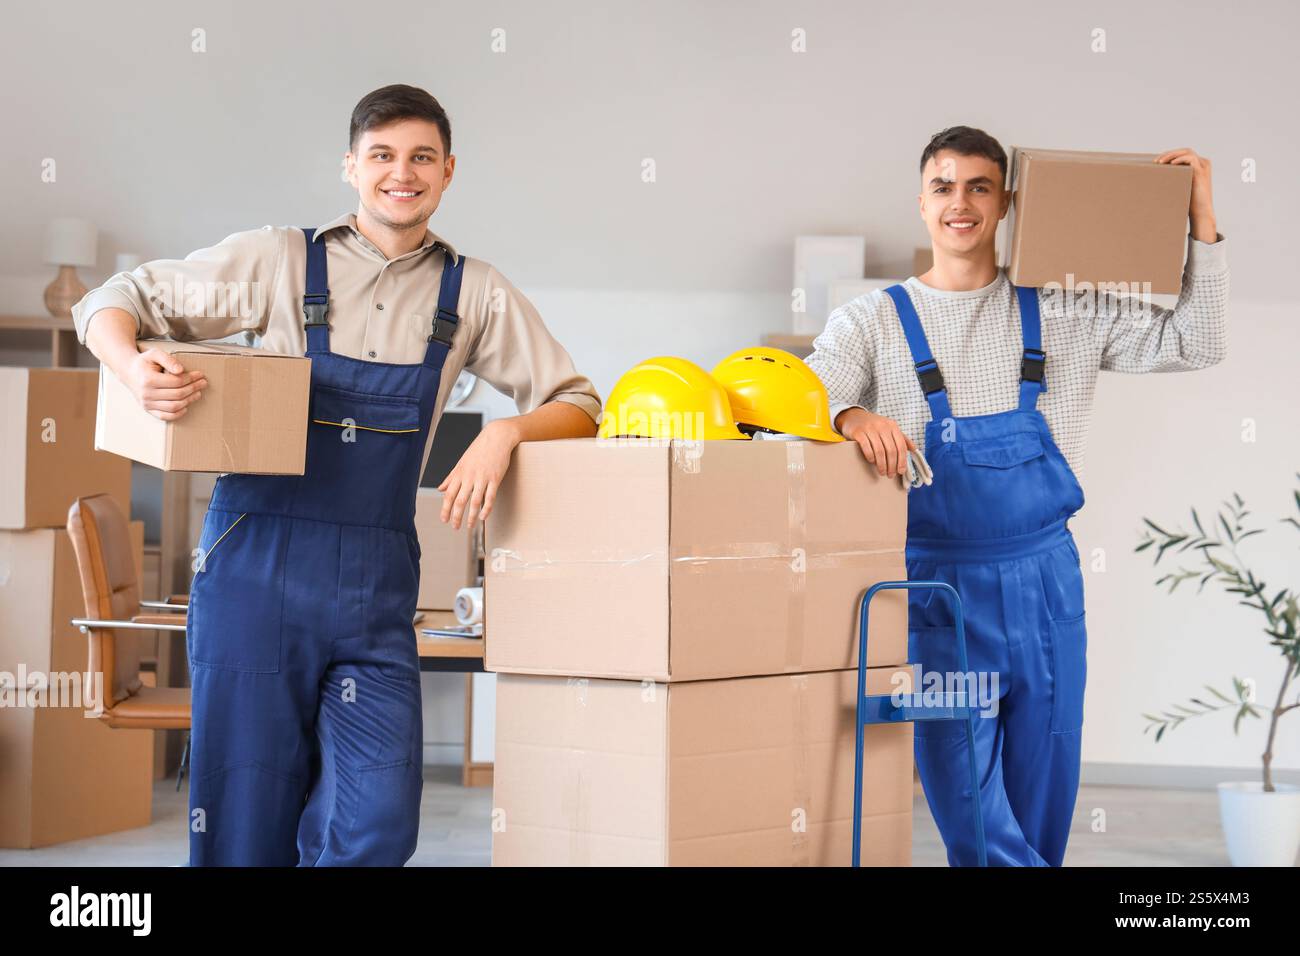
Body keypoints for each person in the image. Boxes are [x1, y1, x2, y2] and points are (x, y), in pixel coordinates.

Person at [73, 84, 601, 866]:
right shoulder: (280, 259)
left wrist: (508, 433)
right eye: (382, 155)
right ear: (351, 167)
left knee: (378, 820)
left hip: (374, 589)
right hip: (254, 572)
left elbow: (580, 401)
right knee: (242, 822)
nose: (403, 172)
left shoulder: (475, 291)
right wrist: (131, 366)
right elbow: (116, 300)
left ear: (448, 171)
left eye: (422, 156)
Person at [806, 126, 1227, 866]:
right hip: (935, 592)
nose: (960, 203)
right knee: (966, 798)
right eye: (943, 186)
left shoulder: (1064, 310)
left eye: (979, 186)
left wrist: (1200, 218)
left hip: (1046, 583)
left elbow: (1198, 341)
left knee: (1045, 788)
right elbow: (791, 405)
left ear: (1006, 203)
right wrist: (850, 414)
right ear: (921, 203)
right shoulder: (870, 323)